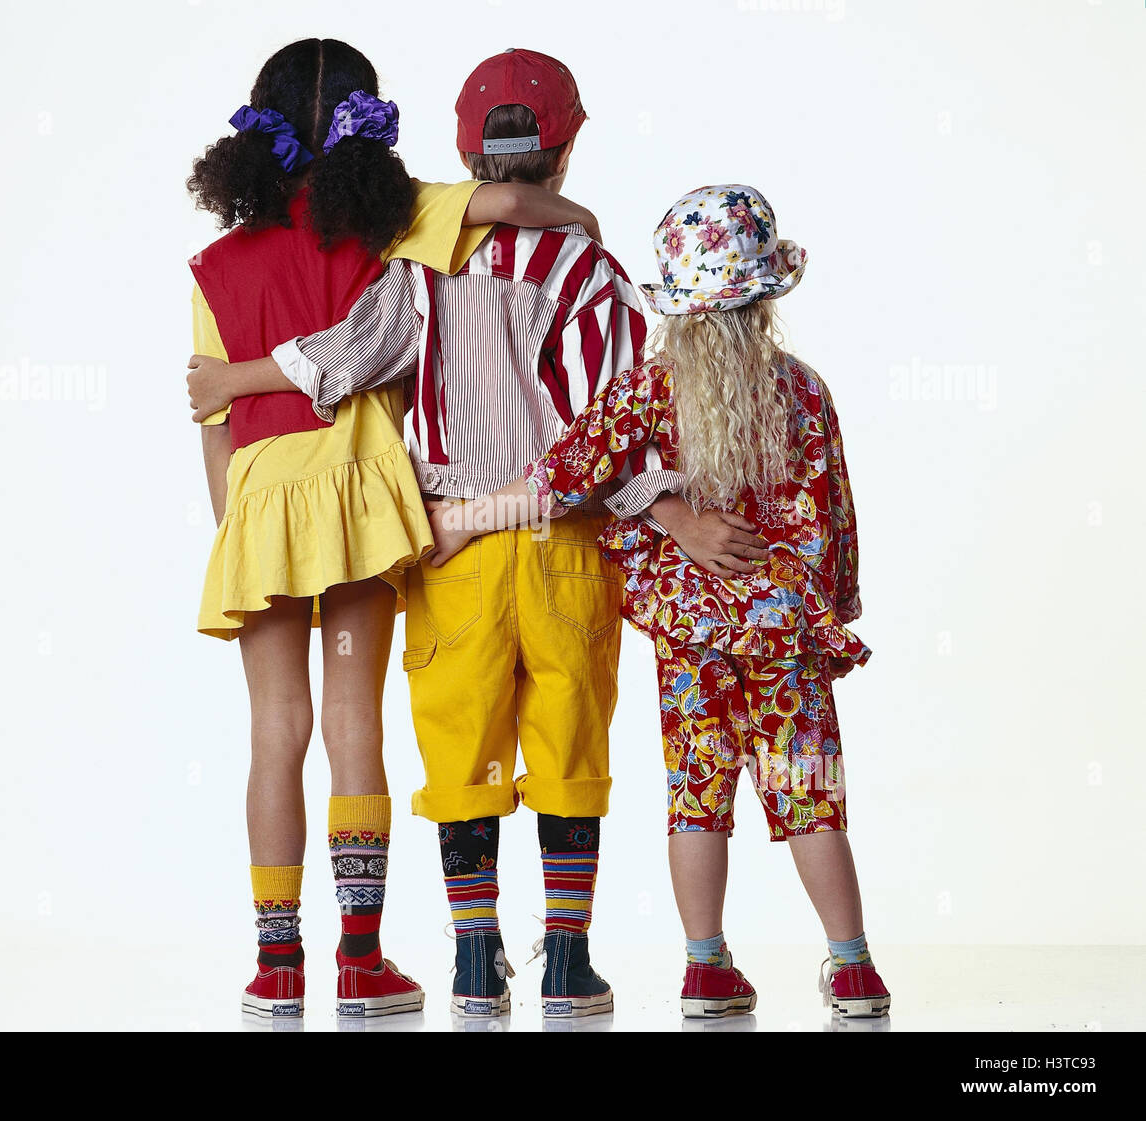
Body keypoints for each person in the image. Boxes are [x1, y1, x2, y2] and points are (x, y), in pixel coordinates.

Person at [186, 54, 770, 1020]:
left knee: (367, 740)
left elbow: (287, 386)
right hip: (472, 527)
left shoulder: (313, 265)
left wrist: (239, 454)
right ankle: (476, 962)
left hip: (358, 527)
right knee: (474, 730)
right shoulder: (491, 249)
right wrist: (672, 509)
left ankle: (364, 961)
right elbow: (600, 392)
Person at [426, 185, 892, 1019]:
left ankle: (706, 967)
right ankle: (853, 968)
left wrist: (464, 518)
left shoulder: (648, 390)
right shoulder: (805, 392)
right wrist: (838, 604)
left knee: (697, 797)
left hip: (691, 640)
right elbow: (839, 510)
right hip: (786, 635)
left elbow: (560, 477)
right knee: (811, 793)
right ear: (765, 301)